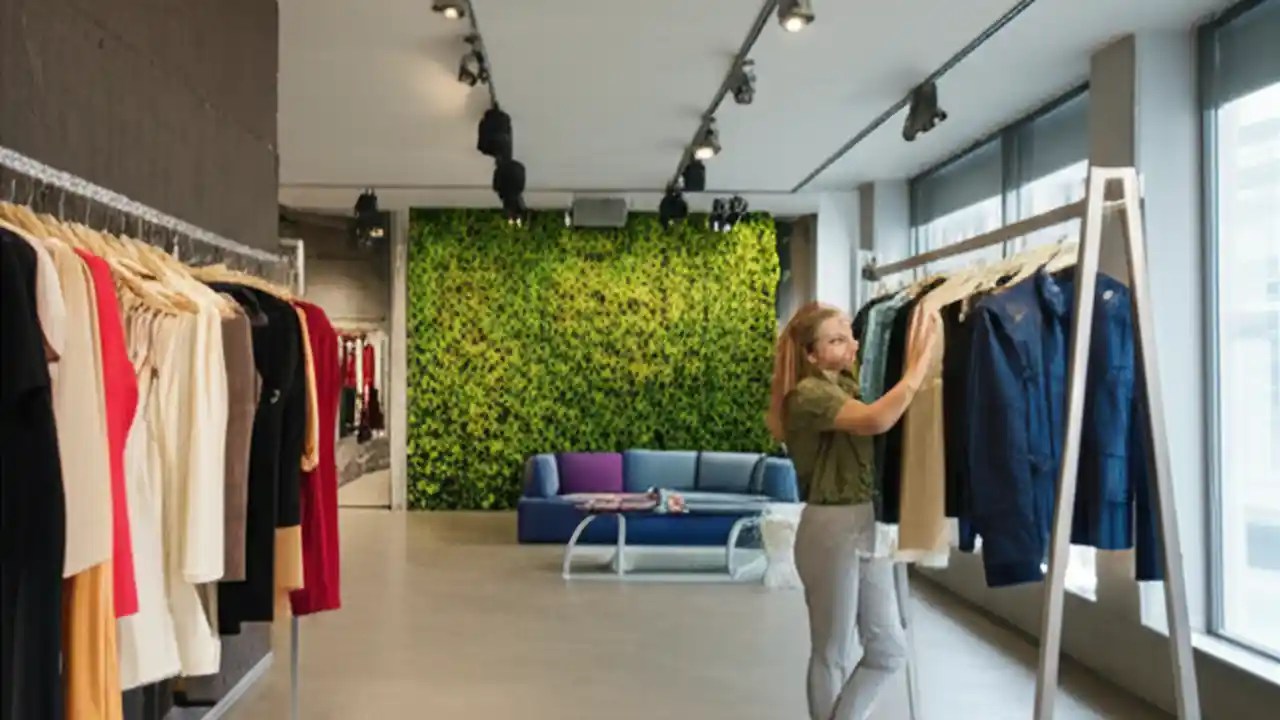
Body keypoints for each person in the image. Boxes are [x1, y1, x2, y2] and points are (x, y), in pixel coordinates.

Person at [767, 301, 941, 720]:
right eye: (836, 339)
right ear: (811, 354)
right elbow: (876, 420)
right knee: (831, 651)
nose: (852, 345)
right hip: (830, 526)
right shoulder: (808, 395)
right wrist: (916, 369)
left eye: (850, 335)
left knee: (887, 649)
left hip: (862, 521)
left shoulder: (845, 384)